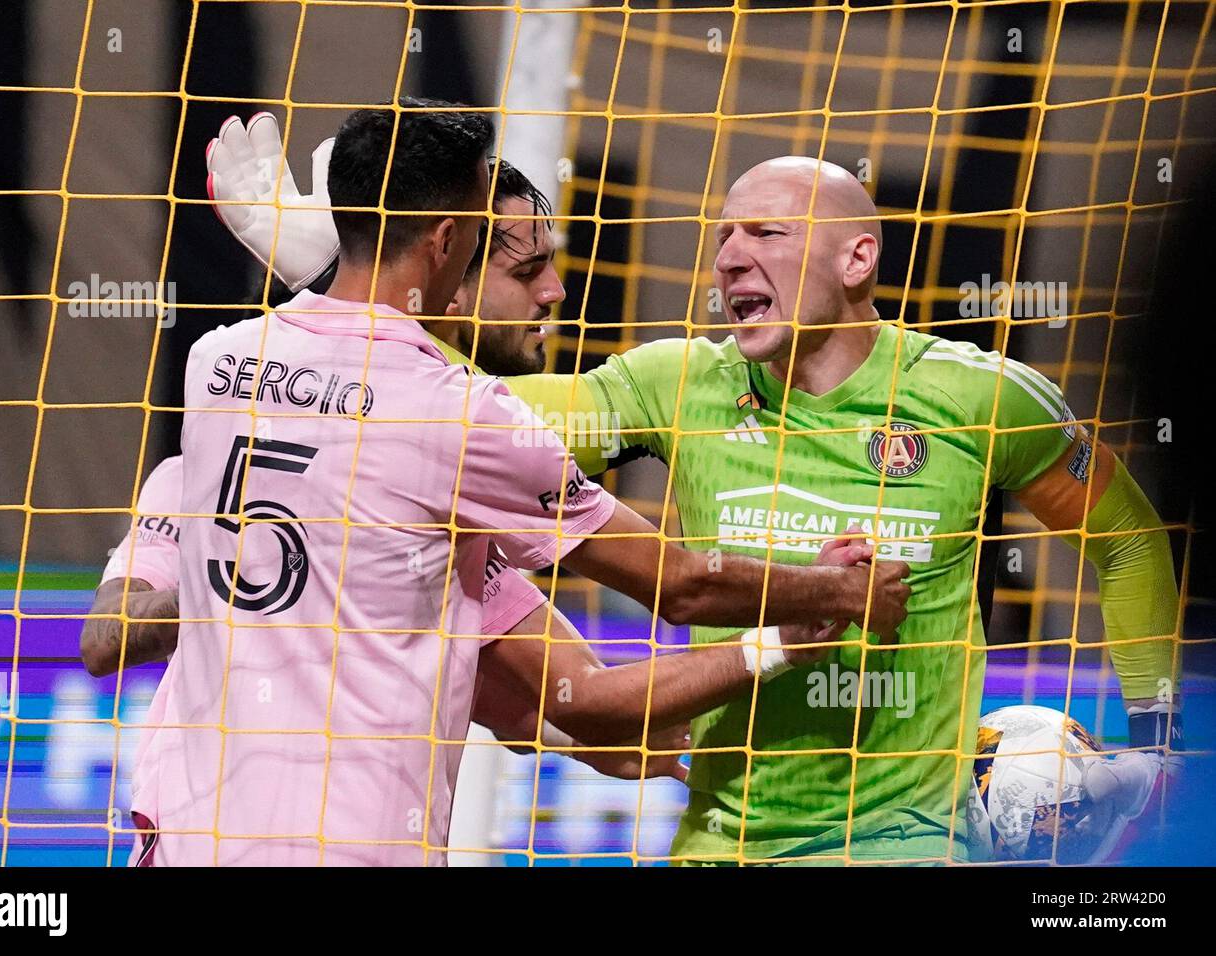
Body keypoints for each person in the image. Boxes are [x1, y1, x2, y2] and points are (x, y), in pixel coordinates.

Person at [215, 131, 1182, 864]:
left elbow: (1130, 542)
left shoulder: (981, 395)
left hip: (903, 843)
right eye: (724, 235)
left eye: (765, 232)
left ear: (858, 258)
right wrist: (331, 270)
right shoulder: (675, 384)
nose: (728, 258)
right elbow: (462, 405)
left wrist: (1160, 734)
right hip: (718, 844)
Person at [126, 101, 908, 866]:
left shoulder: (217, 363)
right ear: (448, 244)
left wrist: (319, 268)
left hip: (184, 834)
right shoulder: (467, 425)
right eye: (513, 260)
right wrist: (827, 597)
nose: (555, 292)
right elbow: (676, 587)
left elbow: (563, 703)